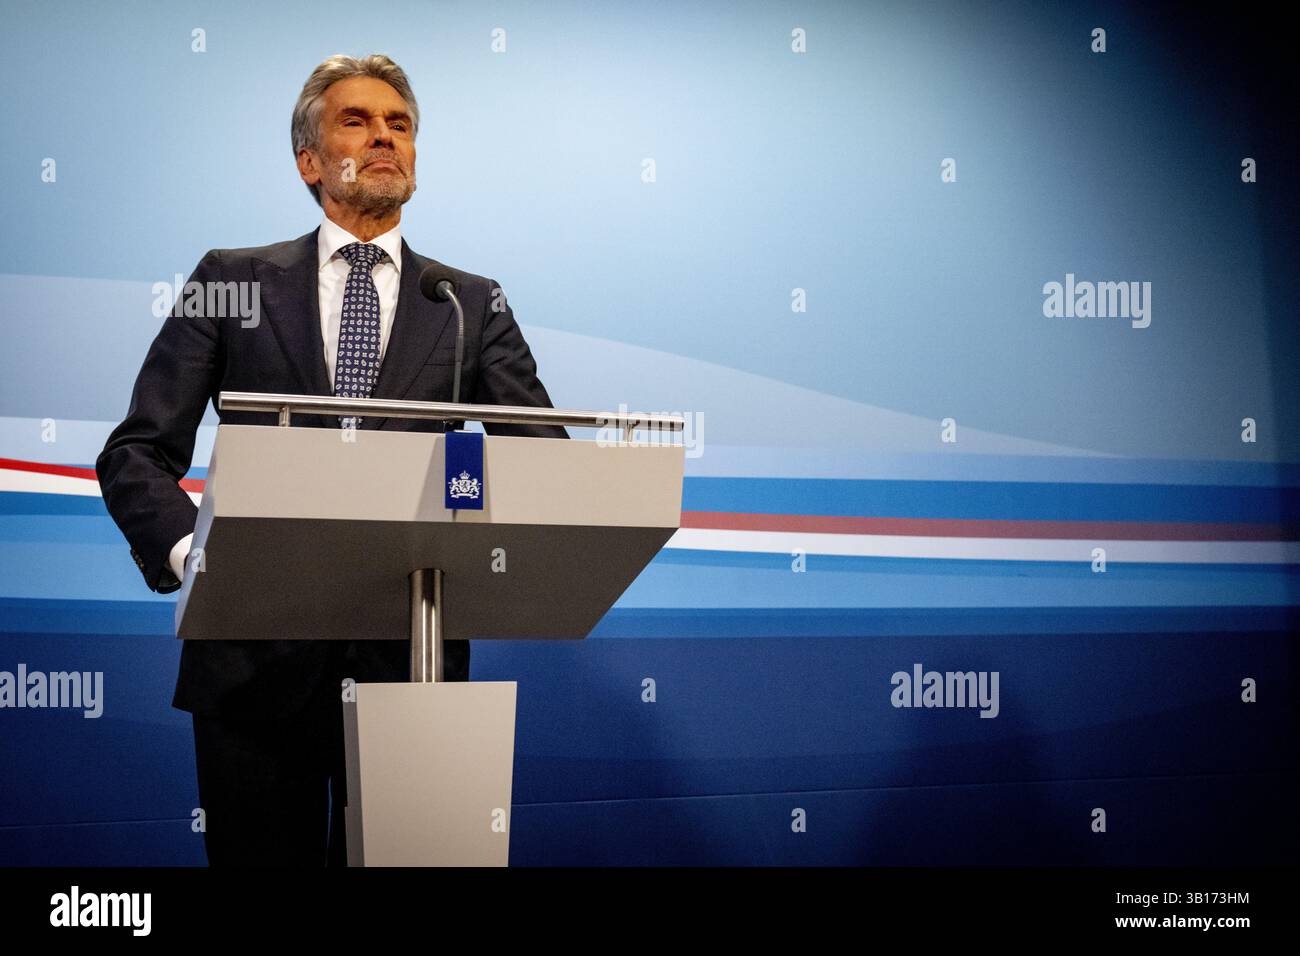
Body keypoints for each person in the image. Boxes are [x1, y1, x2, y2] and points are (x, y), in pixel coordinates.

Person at [95, 53, 567, 866]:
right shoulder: (232, 280)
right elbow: (137, 451)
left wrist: (466, 500)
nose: (385, 135)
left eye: (400, 124)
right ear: (309, 161)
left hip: (410, 663)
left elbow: (547, 467)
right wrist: (195, 556)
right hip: (252, 660)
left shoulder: (467, 302)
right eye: (357, 120)